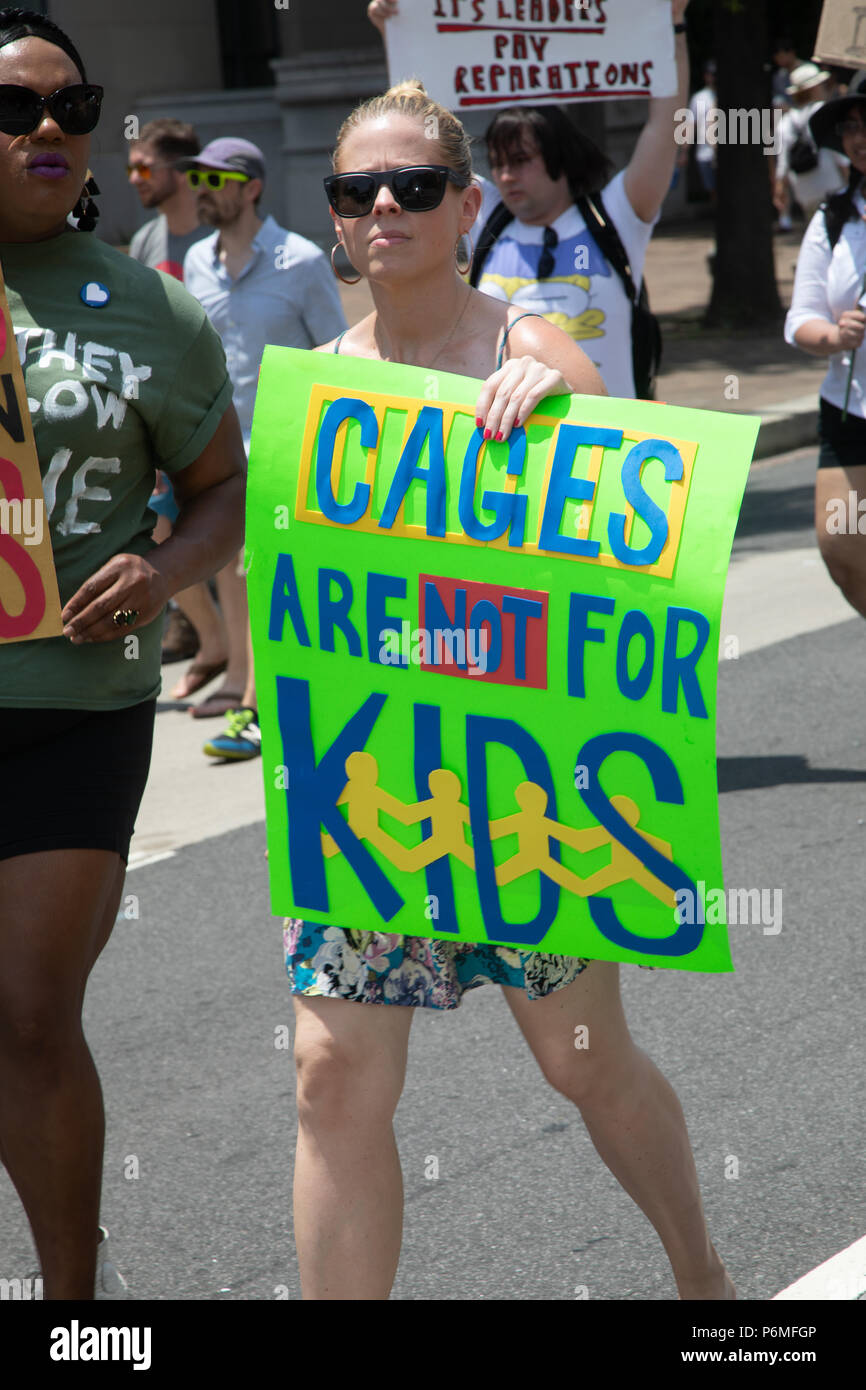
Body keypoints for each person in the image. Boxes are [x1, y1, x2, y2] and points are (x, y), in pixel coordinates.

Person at [284, 75, 735, 1302]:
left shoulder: (526, 345)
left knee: (581, 1064)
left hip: (526, 777)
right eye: (357, 190)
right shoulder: (317, 386)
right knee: (329, 1078)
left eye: (413, 187)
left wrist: (566, 404)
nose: (384, 206)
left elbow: (628, 493)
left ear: (462, 201)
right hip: (373, 775)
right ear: (334, 216)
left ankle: (702, 1277)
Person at [0, 7, 245, 1298]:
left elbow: (221, 490)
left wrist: (163, 568)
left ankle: (71, 1303)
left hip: (72, 707)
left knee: (29, 1014)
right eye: (15, 109)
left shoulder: (151, 307)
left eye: (72, 109)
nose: (47, 129)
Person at [369, 0, 691, 401]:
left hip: (607, 447)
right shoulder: (483, 214)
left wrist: (674, 26)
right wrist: (399, 37)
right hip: (505, 448)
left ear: (561, 159)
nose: (504, 176)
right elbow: (424, 138)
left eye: (521, 162)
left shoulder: (617, 217)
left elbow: (666, 122)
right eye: (499, 163)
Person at [181, 137, 347, 759]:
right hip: (215, 451)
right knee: (229, 570)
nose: (202, 190)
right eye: (198, 179)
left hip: (284, 448)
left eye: (216, 181)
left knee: (257, 574)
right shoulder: (196, 261)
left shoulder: (300, 260)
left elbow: (337, 355)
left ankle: (254, 708)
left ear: (251, 188)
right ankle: (243, 686)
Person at [127, 116, 230, 699]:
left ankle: (240, 666)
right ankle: (211, 641)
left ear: (182, 172)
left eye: (144, 166)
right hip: (157, 411)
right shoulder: (144, 242)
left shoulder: (212, 239)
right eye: (131, 166)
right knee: (158, 529)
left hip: (216, 411)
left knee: (224, 530)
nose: (133, 177)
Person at [785, 71, 866, 623]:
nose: (859, 137)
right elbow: (801, 319)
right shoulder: (833, 216)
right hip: (849, 406)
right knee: (842, 548)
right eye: (851, 126)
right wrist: (835, 337)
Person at [774, 64, 847, 225]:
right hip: (832, 186)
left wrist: (780, 191)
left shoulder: (786, 122)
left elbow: (782, 167)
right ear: (813, 89)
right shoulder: (824, 112)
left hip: (805, 192)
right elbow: (841, 156)